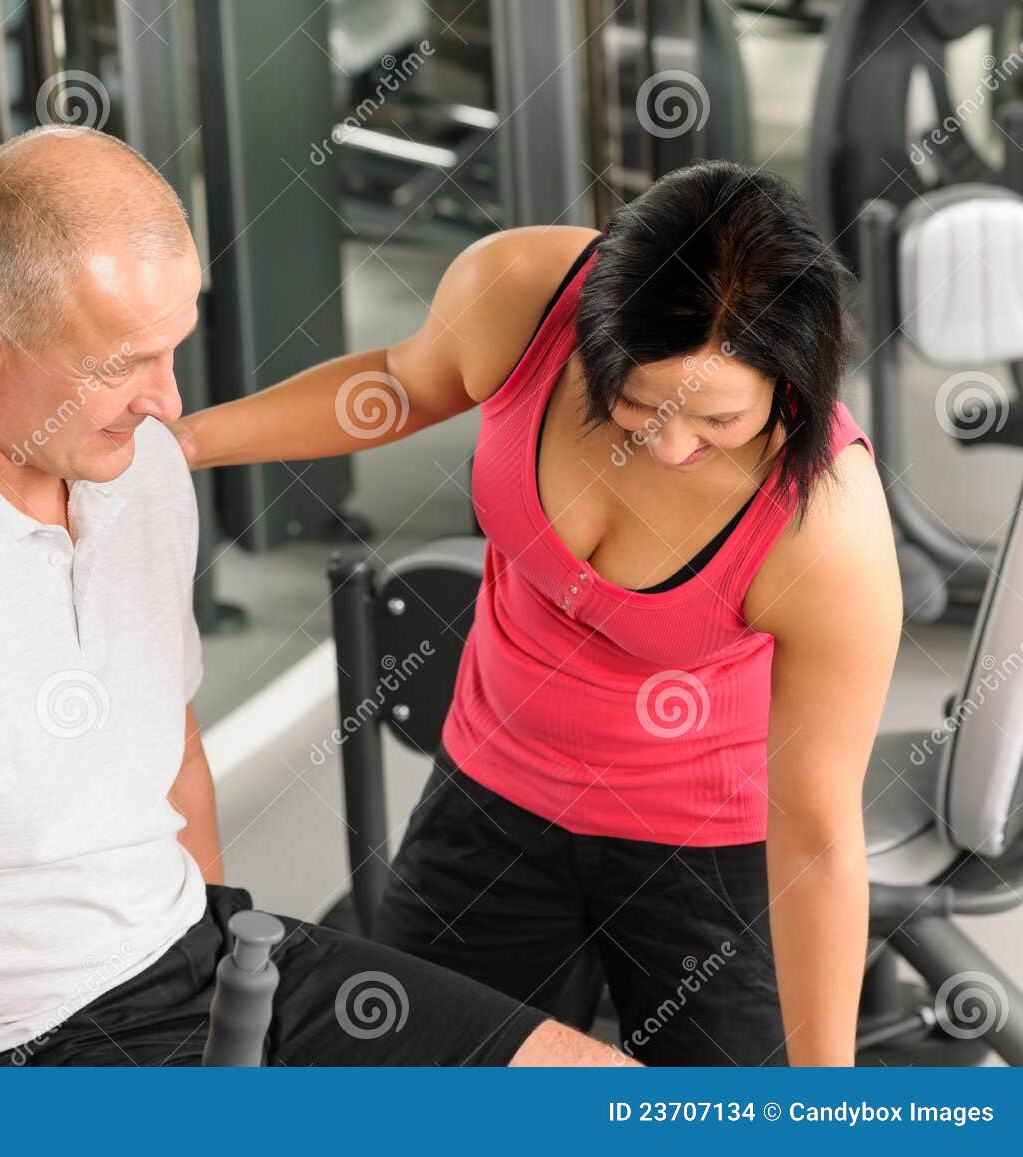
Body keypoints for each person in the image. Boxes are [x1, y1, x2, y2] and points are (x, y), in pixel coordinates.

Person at [0, 126, 628, 1068]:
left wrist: (229, 1024)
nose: (169, 402)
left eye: (172, 349)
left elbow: (173, 752)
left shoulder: (134, 469)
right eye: (121, 364)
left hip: (196, 960)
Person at [171, 161, 901, 1066]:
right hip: (493, 788)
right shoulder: (520, 296)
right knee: (408, 1086)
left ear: (791, 382)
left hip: (707, 845)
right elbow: (399, 384)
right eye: (636, 400)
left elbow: (819, 832)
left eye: (715, 419)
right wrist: (187, 443)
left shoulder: (823, 524)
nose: (668, 442)